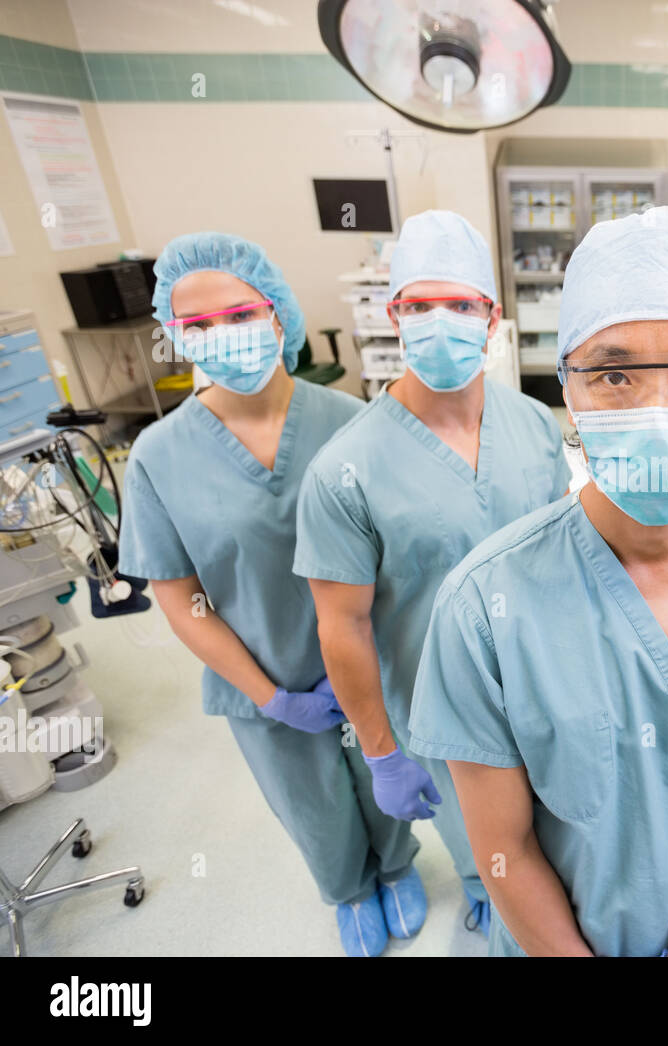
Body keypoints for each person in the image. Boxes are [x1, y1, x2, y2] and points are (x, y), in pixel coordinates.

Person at [407, 206, 668, 957]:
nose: (656, 412)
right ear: (567, 385)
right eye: (614, 373)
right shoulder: (485, 607)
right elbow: (503, 849)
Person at [119, 232, 416, 957]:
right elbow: (179, 595)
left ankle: (398, 865)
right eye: (200, 327)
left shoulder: (352, 423)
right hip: (263, 678)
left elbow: (398, 556)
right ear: (177, 340)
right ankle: (347, 891)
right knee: (312, 804)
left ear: (278, 315)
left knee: (385, 776)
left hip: (369, 663)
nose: (225, 337)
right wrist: (269, 693)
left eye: (240, 315)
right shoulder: (160, 457)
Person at [293, 210, 569, 937]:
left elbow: (562, 550)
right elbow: (343, 624)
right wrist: (382, 753)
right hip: (438, 703)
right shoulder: (344, 471)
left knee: (555, 823)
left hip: (543, 679)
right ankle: (482, 883)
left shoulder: (535, 424)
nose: (441, 322)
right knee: (479, 836)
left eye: (461, 305)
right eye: (420, 306)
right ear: (393, 316)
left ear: (493, 317)